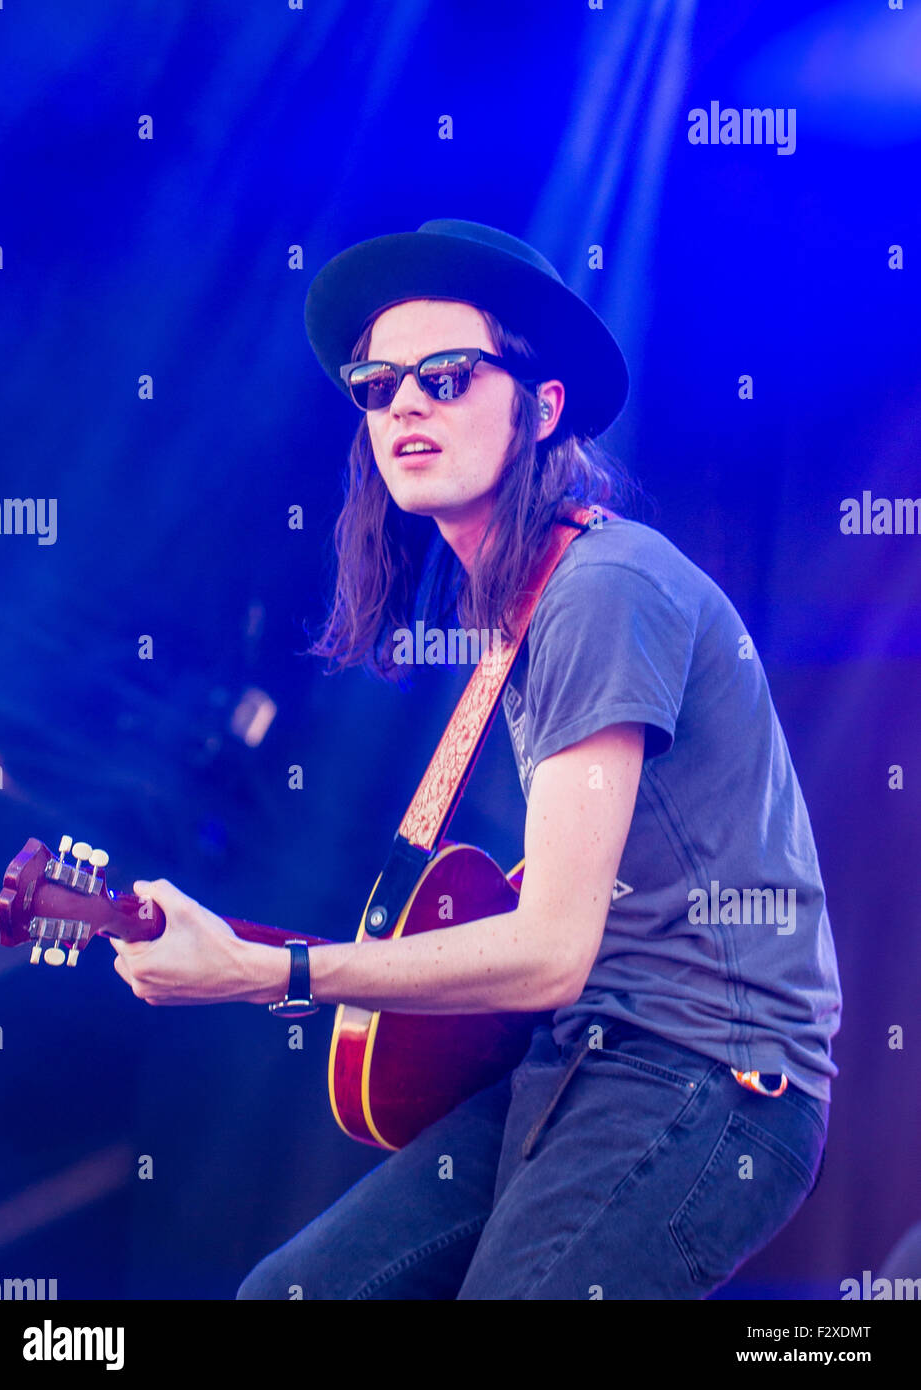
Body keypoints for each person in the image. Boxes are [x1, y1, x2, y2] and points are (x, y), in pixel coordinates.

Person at [111, 219, 841, 1300]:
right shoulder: (525, 600)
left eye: (446, 376)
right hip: (580, 1054)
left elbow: (549, 949)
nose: (403, 403)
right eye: (377, 384)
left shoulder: (604, 586)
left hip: (712, 1074)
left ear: (542, 407)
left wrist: (276, 971)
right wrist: (242, 953)